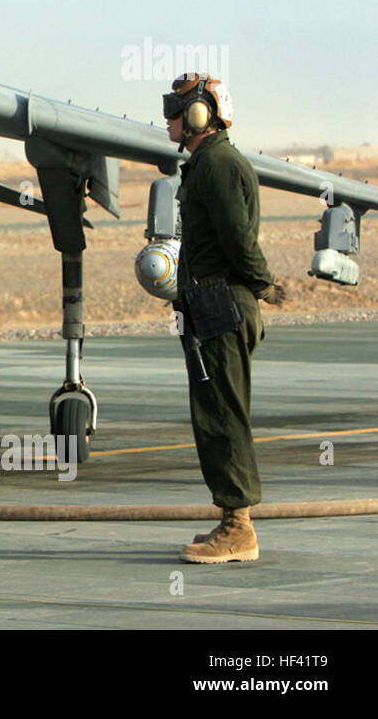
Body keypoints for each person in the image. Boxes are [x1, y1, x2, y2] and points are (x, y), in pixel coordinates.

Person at [163, 73, 286, 563]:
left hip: (221, 304)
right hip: (211, 303)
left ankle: (239, 529)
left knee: (223, 417)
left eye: (177, 107)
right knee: (214, 415)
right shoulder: (208, 164)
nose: (169, 116)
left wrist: (263, 283)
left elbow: (238, 241)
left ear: (200, 114)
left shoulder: (216, 165)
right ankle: (230, 518)